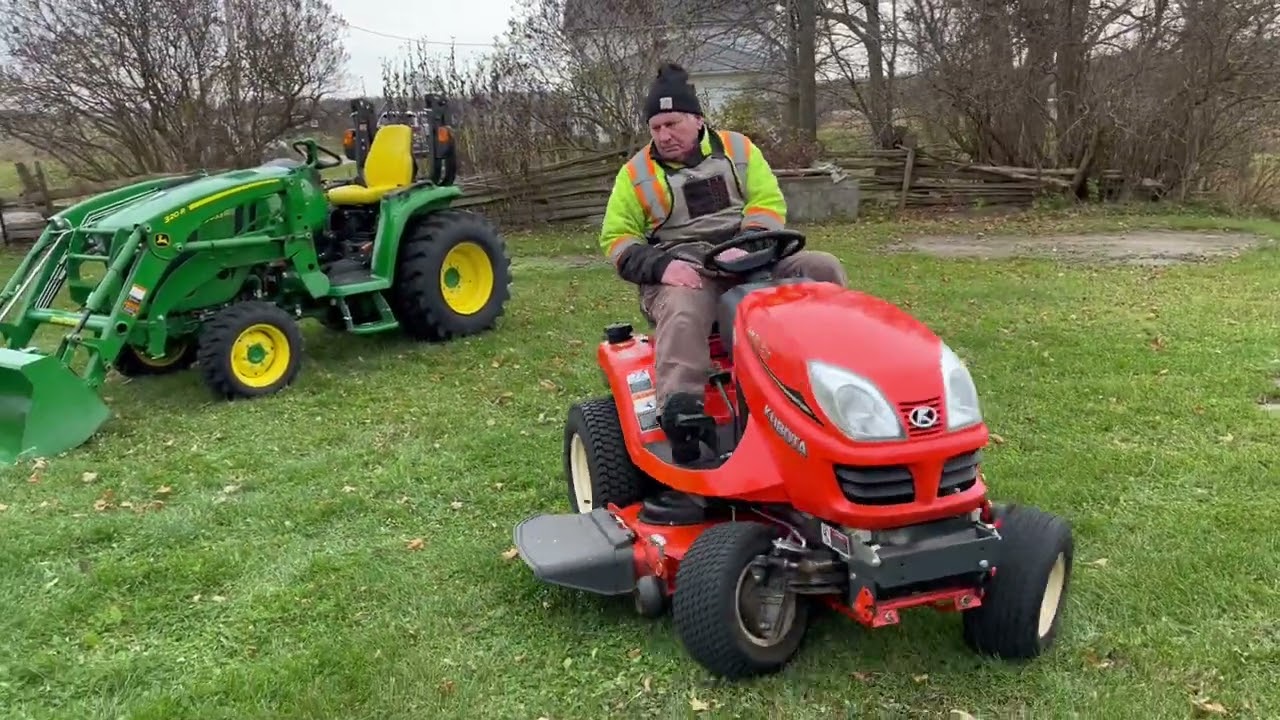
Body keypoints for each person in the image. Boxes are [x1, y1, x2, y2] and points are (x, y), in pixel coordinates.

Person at [598, 62, 849, 465]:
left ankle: (839, 374)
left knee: (822, 269)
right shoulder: (635, 175)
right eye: (656, 127)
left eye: (672, 124)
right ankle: (682, 412)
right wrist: (663, 267)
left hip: (753, 252)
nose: (664, 135)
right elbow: (617, 239)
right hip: (685, 267)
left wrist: (751, 244)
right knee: (683, 307)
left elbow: (767, 202)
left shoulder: (739, 150)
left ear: (698, 120)